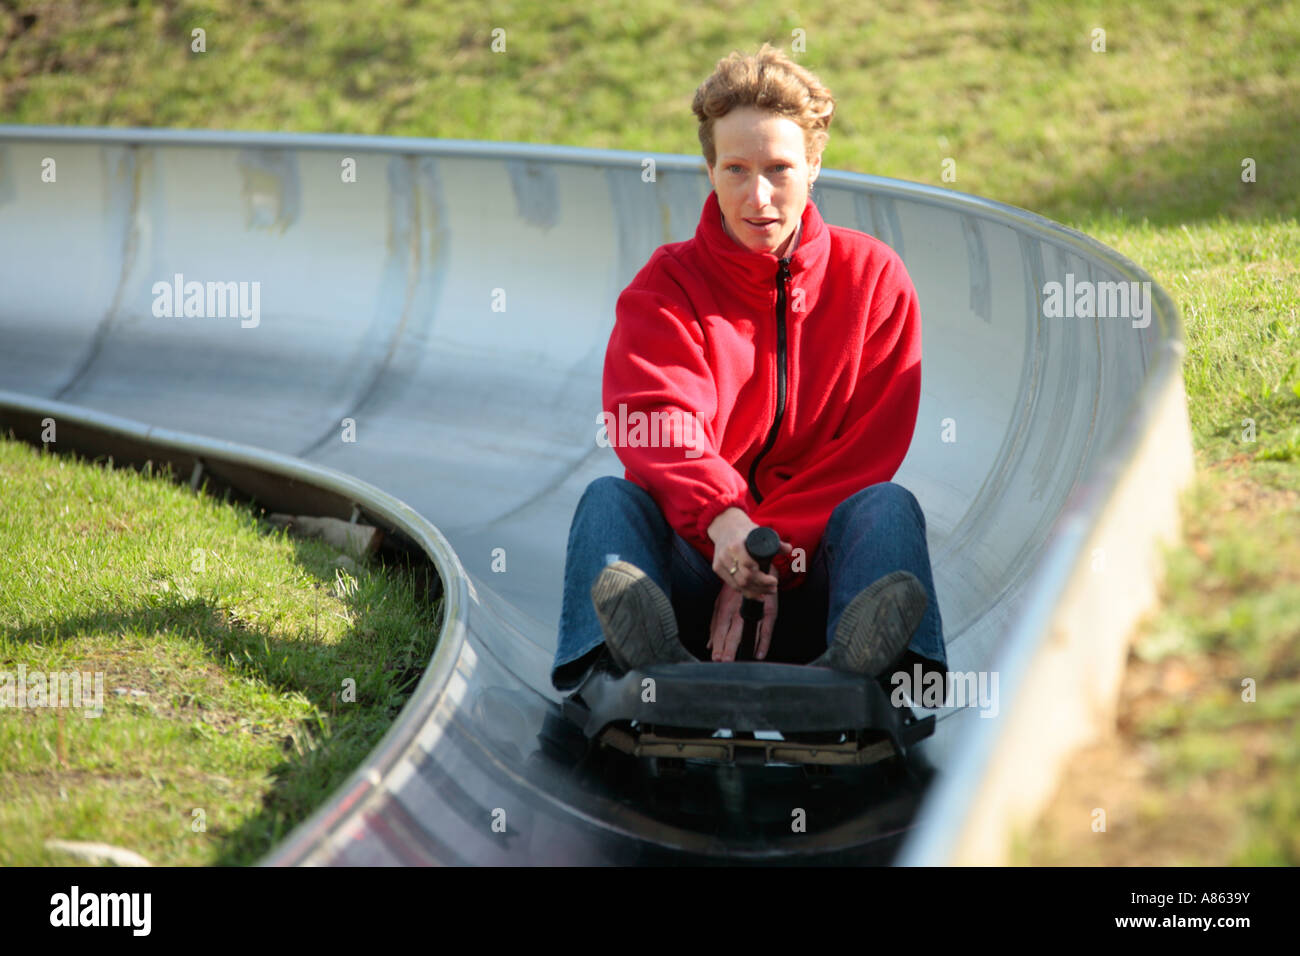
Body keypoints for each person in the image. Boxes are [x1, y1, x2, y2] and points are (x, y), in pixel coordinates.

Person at [551, 43, 948, 698]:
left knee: (887, 507)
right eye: (735, 169)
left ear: (814, 165)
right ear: (709, 168)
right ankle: (628, 671)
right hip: (695, 567)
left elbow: (867, 454)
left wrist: (768, 550)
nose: (758, 195)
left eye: (779, 169)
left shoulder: (875, 279)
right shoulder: (668, 286)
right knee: (608, 501)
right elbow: (654, 417)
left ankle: (869, 676)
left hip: (820, 583)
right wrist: (725, 525)